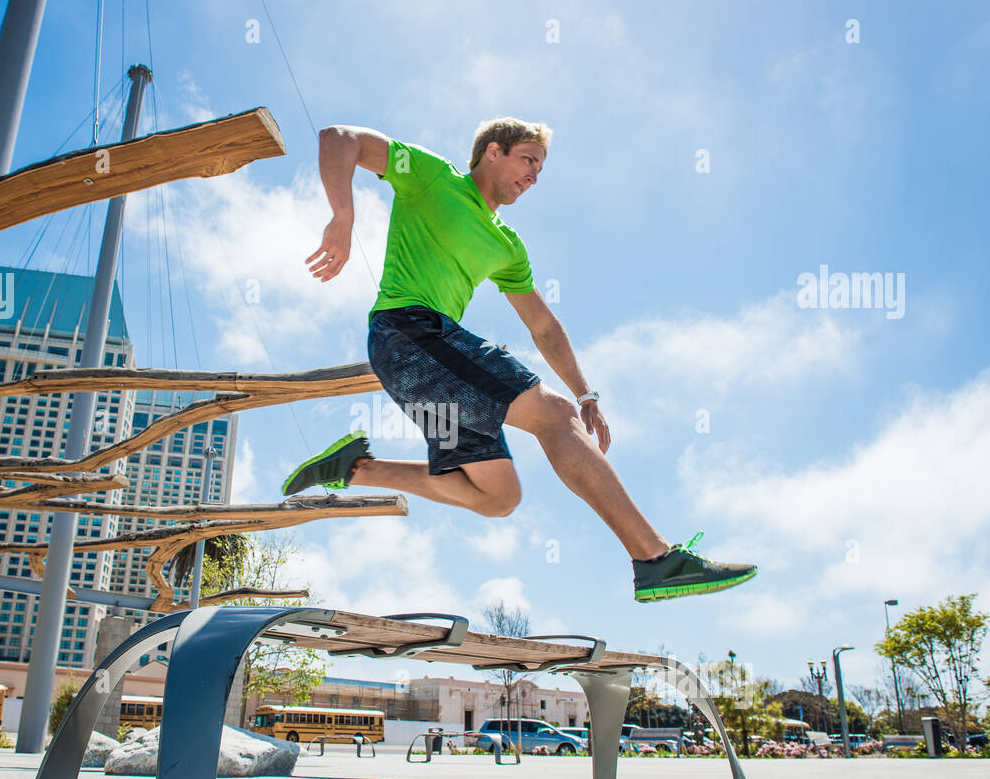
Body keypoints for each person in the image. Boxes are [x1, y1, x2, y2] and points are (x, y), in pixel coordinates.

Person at [280, 118, 757, 603]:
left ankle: (355, 469)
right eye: (528, 160)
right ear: (493, 151)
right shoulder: (432, 177)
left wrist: (585, 393)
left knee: (498, 497)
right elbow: (339, 139)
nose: (533, 176)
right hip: (408, 334)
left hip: (423, 369)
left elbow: (544, 326)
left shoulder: (508, 247)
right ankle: (655, 559)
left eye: (540, 169)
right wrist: (343, 216)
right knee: (551, 416)